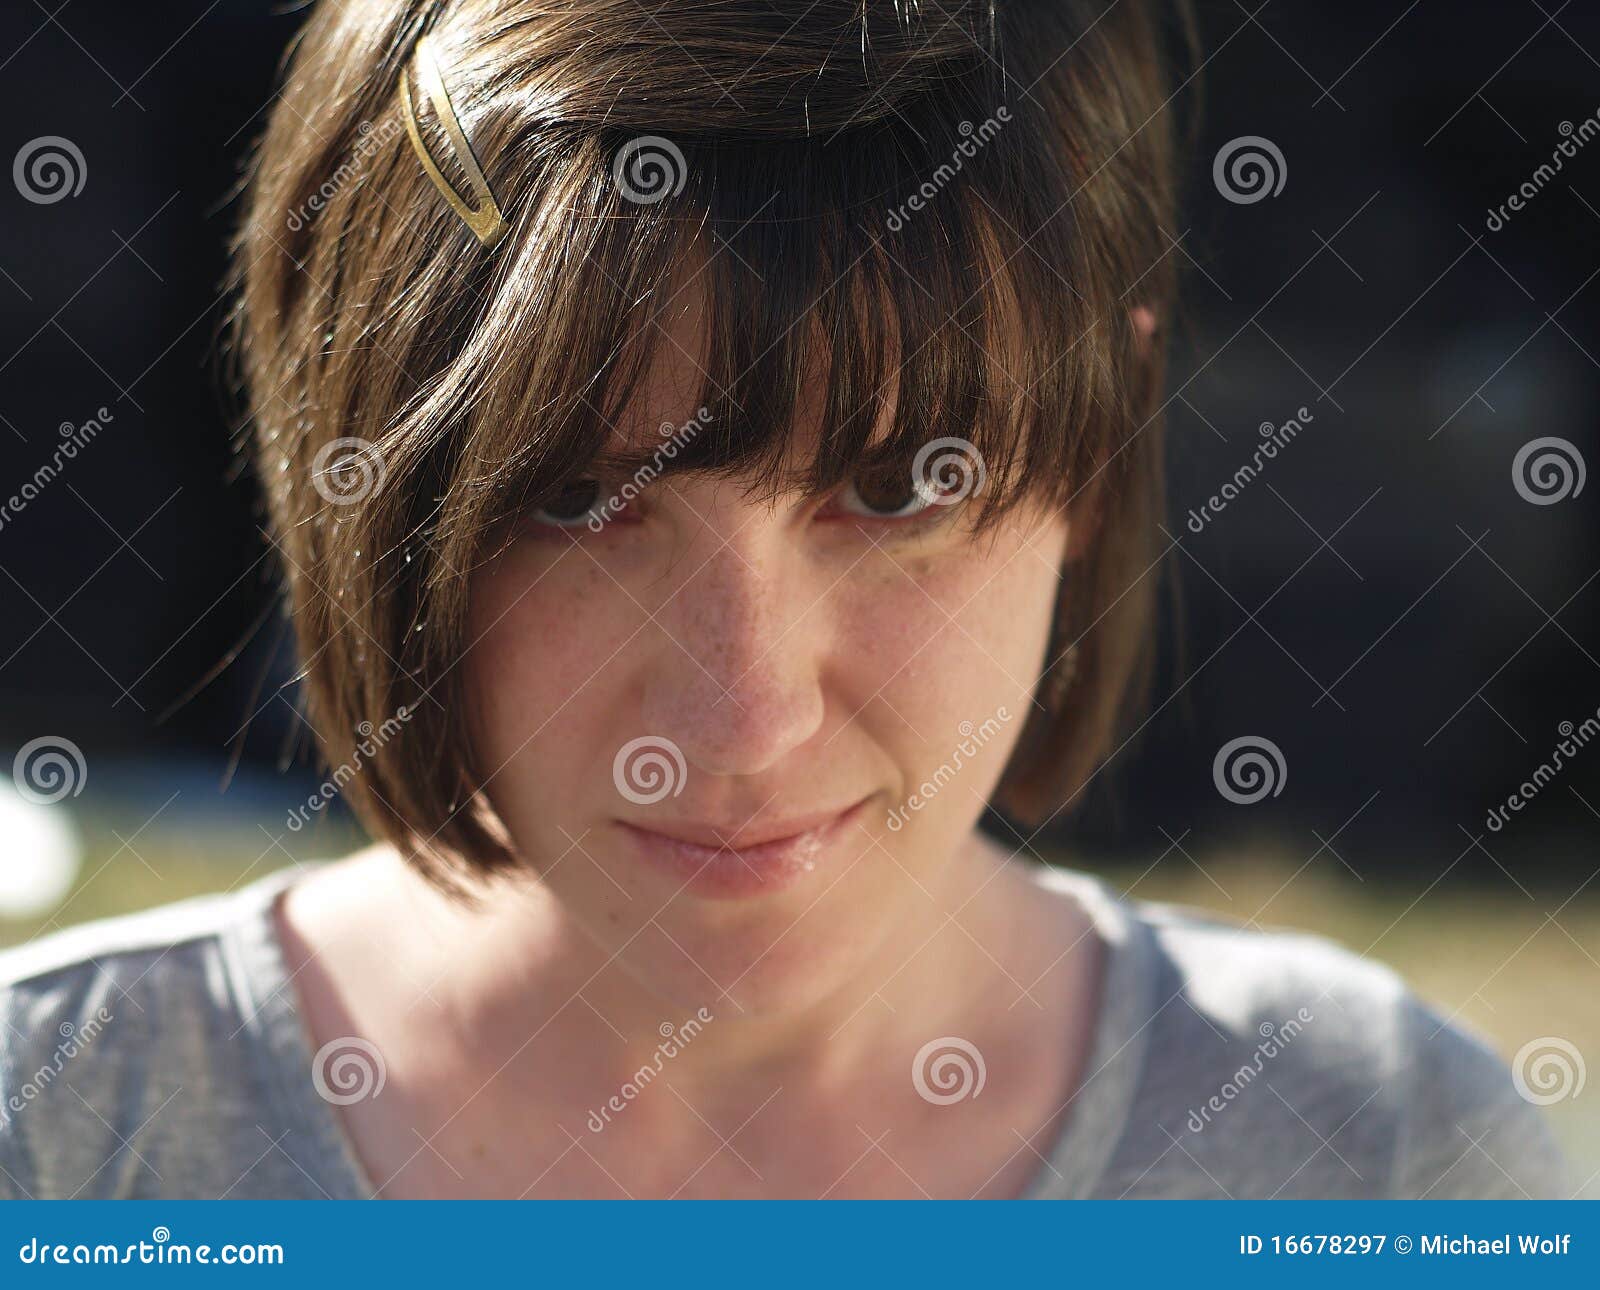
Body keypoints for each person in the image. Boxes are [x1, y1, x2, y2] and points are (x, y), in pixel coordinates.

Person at [0, 0, 1570, 1199]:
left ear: (1100, 440)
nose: (743, 716)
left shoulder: (1381, 1150)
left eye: (898, 491)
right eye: (575, 498)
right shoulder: (59, 1142)